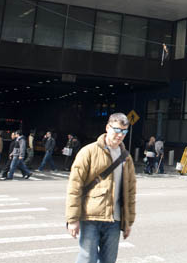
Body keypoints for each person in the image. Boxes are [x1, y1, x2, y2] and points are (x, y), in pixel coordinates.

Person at [66, 113, 136, 263]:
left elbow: (130, 192)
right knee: (87, 259)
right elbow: (75, 186)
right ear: (107, 127)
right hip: (90, 217)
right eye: (117, 130)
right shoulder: (88, 152)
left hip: (114, 221)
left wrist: (128, 221)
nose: (120, 135)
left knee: (109, 260)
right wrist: (72, 219)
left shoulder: (126, 158)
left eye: (124, 131)